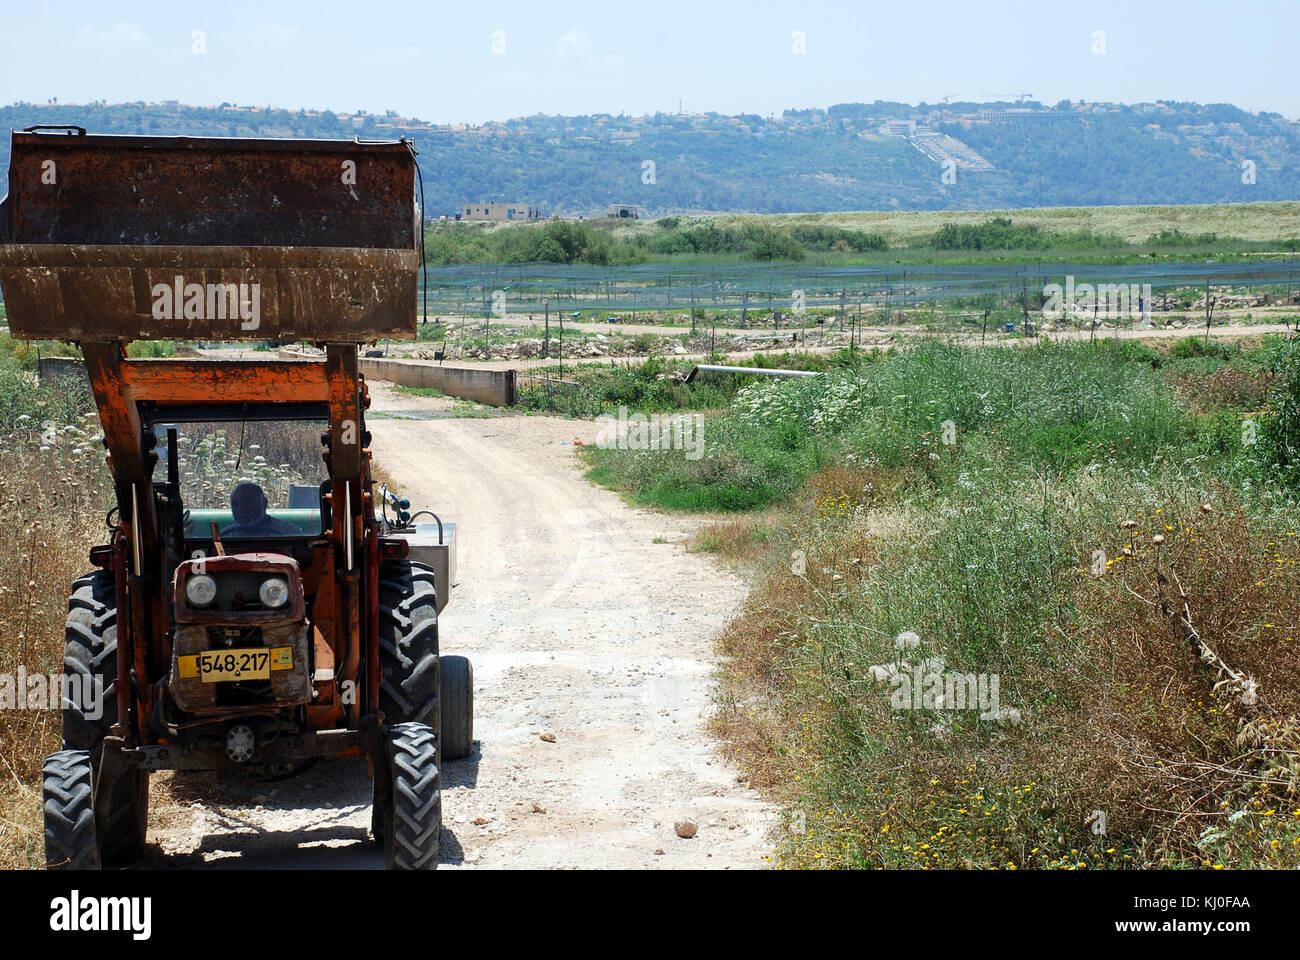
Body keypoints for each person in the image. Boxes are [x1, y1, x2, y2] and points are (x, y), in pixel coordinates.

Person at [221, 482, 301, 537]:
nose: (241, 508)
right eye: (235, 504)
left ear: (264, 503)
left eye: (248, 502)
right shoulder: (225, 536)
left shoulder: (287, 532)